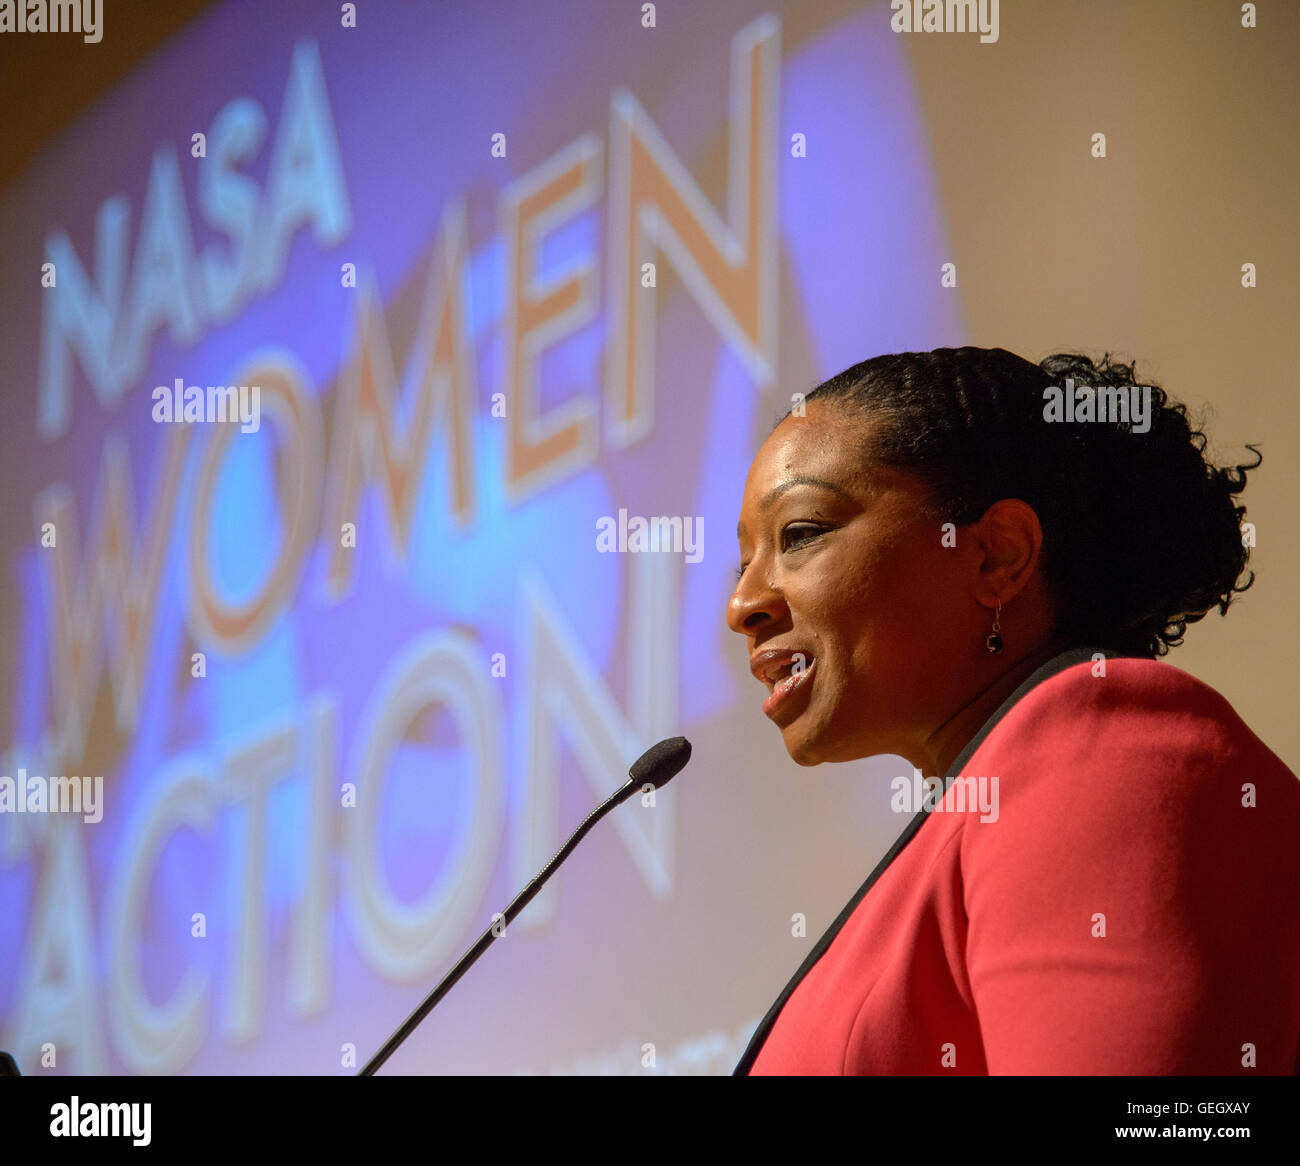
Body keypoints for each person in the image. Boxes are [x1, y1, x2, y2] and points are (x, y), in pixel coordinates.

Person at [725, 347, 1299, 1075]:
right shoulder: (976, 815)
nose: (742, 605)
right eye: (742, 563)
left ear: (998, 556)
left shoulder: (1105, 753)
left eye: (800, 534)